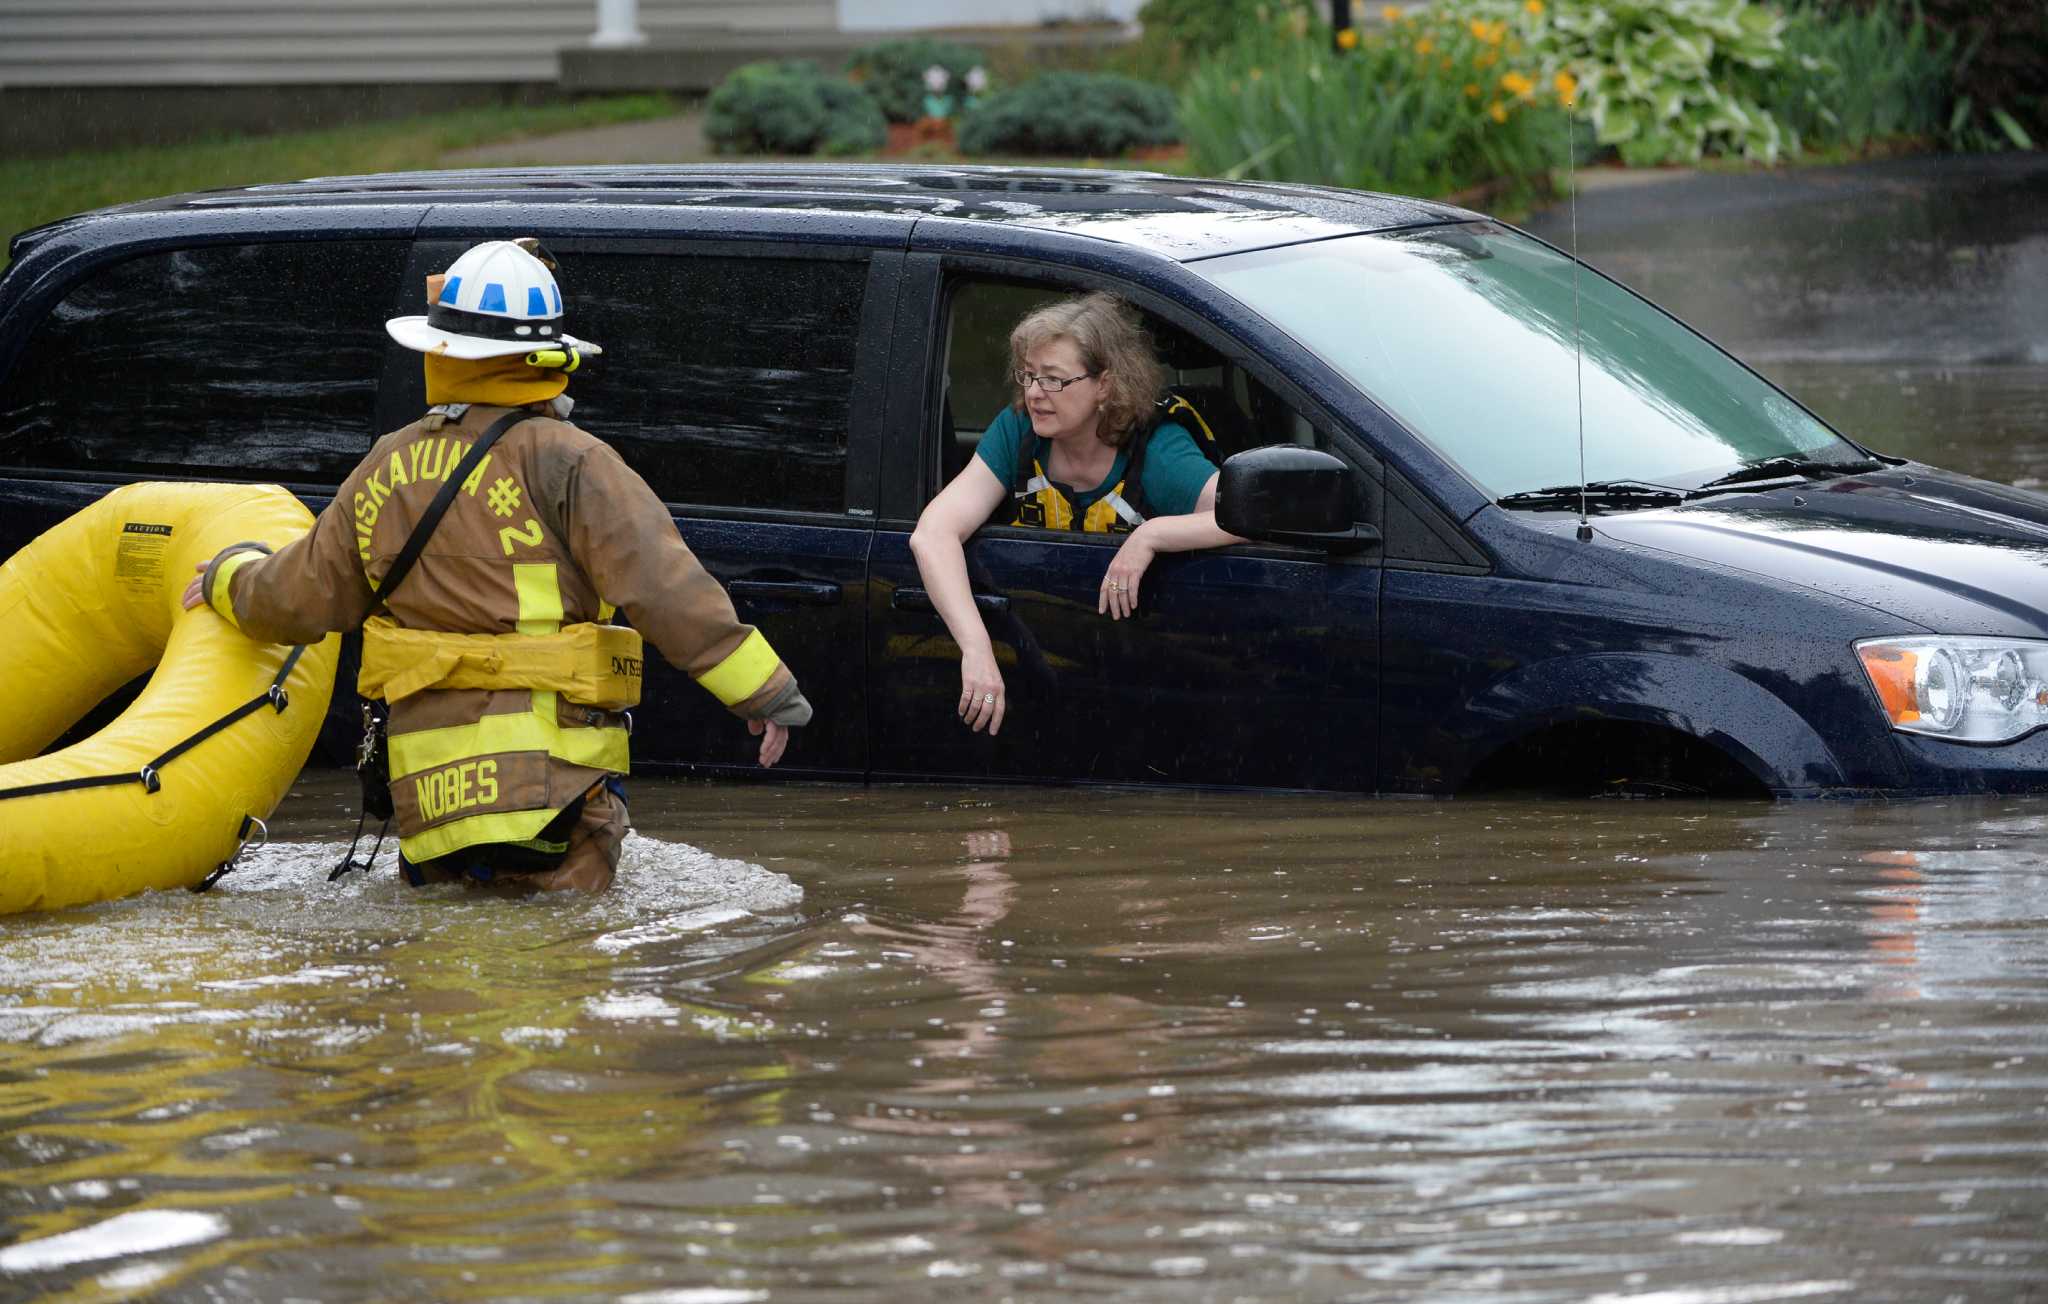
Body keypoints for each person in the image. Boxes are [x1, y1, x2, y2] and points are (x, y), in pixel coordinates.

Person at [184, 238, 811, 894]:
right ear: (544, 358)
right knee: (556, 975)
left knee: (448, 976)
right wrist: (764, 692)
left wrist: (229, 579)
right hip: (556, 792)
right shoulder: (573, 462)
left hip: (434, 808)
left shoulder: (386, 468)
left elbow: (300, 596)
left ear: (441, 351)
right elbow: (665, 587)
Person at [909, 292, 1242, 737]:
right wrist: (976, 648)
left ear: (1105, 385)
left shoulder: (1158, 451)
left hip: (1142, 682)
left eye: (1054, 380)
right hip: (1040, 669)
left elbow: (1245, 515)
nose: (1034, 394)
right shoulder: (1018, 432)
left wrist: (1152, 535)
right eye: (1027, 376)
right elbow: (931, 535)